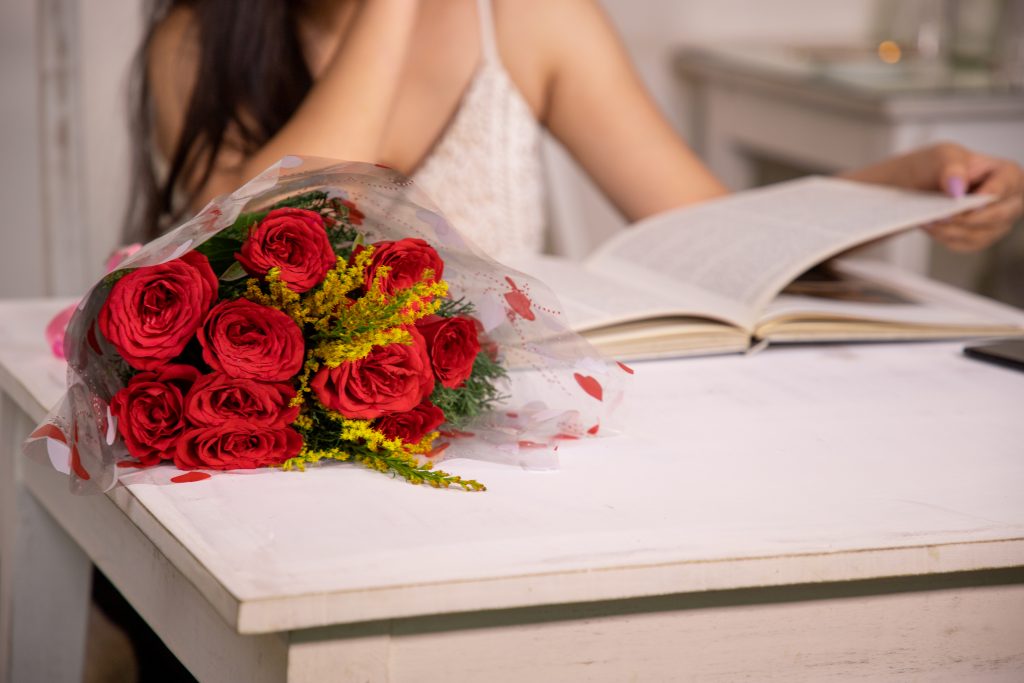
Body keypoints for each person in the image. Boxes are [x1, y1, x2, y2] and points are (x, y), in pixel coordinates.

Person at [129, 0, 1024, 258]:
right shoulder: (193, 45)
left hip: (506, 456)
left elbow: (713, 229)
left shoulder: (530, 19)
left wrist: (902, 182)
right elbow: (265, 241)